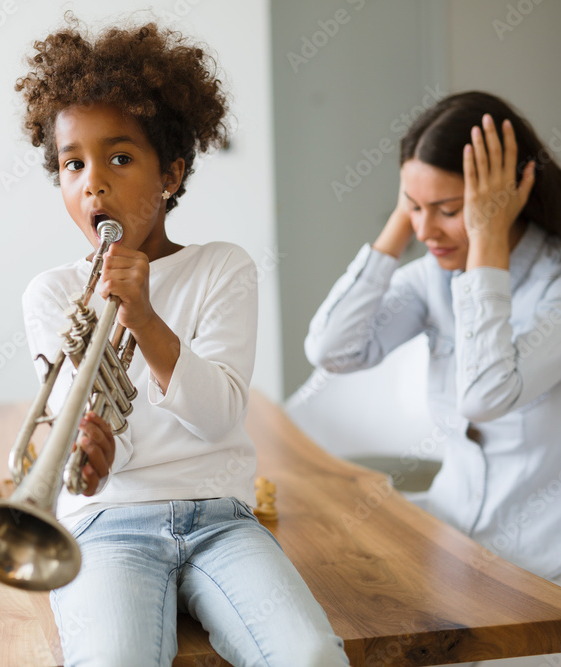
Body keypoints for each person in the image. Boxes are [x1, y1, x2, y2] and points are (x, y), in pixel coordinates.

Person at [18, 17, 350, 666]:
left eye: (119, 157)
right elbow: (73, 425)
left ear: (170, 173)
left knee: (311, 654)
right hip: (108, 523)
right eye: (72, 163)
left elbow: (219, 414)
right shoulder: (52, 293)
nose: (94, 182)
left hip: (219, 516)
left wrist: (143, 315)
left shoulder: (223, 268)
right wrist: (92, 460)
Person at [305, 91, 561, 600]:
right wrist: (404, 221)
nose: (426, 231)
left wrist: (486, 238)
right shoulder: (434, 276)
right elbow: (331, 349)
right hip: (456, 539)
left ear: (511, 196)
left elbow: (485, 397)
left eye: (447, 210)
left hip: (560, 559)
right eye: (413, 208)